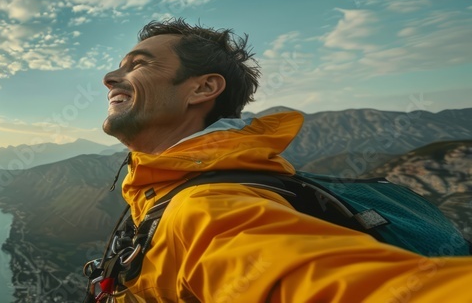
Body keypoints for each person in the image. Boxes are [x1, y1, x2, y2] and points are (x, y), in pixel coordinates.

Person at [100, 18, 472, 302]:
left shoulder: (204, 210)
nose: (110, 78)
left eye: (139, 64)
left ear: (203, 88)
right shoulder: (164, 186)